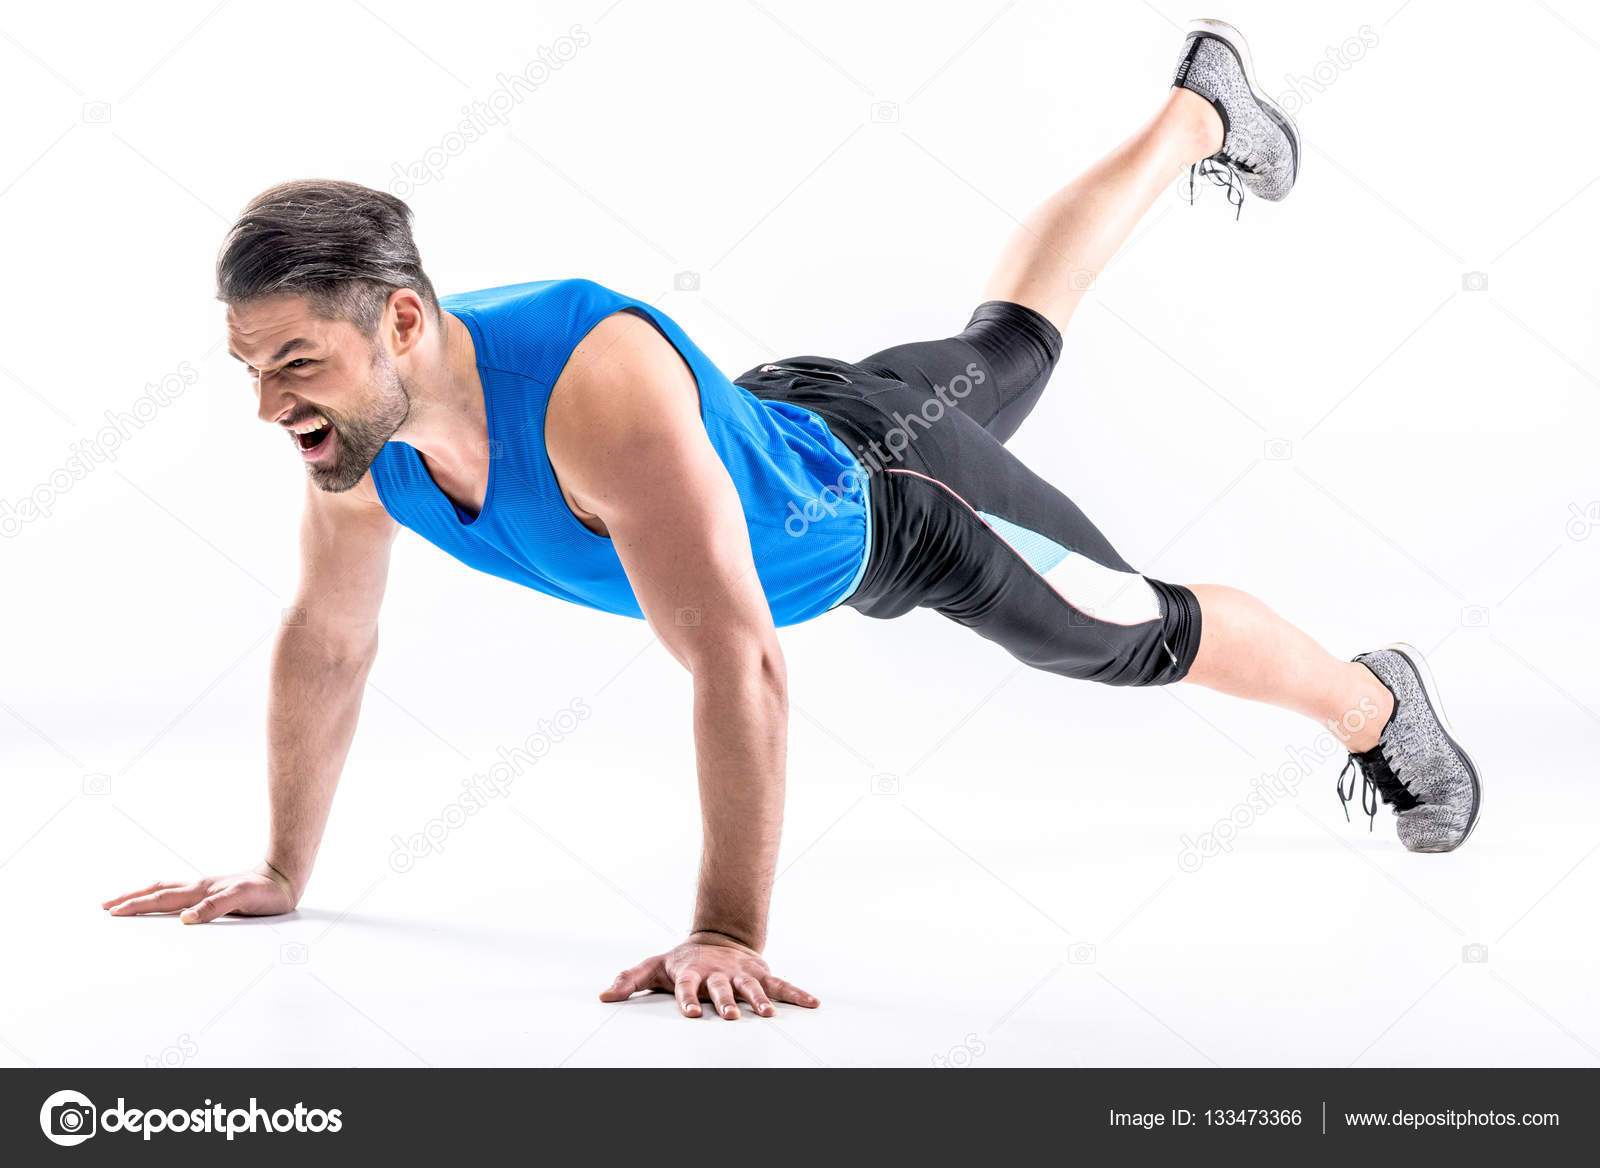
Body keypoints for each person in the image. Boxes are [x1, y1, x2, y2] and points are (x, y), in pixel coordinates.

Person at [102, 20, 1482, 1021]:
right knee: (1006, 345)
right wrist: (285, 867)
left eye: (294, 364)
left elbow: (740, 658)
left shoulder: (593, 388)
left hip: (891, 504)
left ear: (403, 319)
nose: (271, 404)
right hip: (787, 424)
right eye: (251, 367)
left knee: (1119, 634)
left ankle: (1375, 707)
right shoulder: (361, 438)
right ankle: (1202, 115)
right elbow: (331, 640)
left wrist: (722, 929)